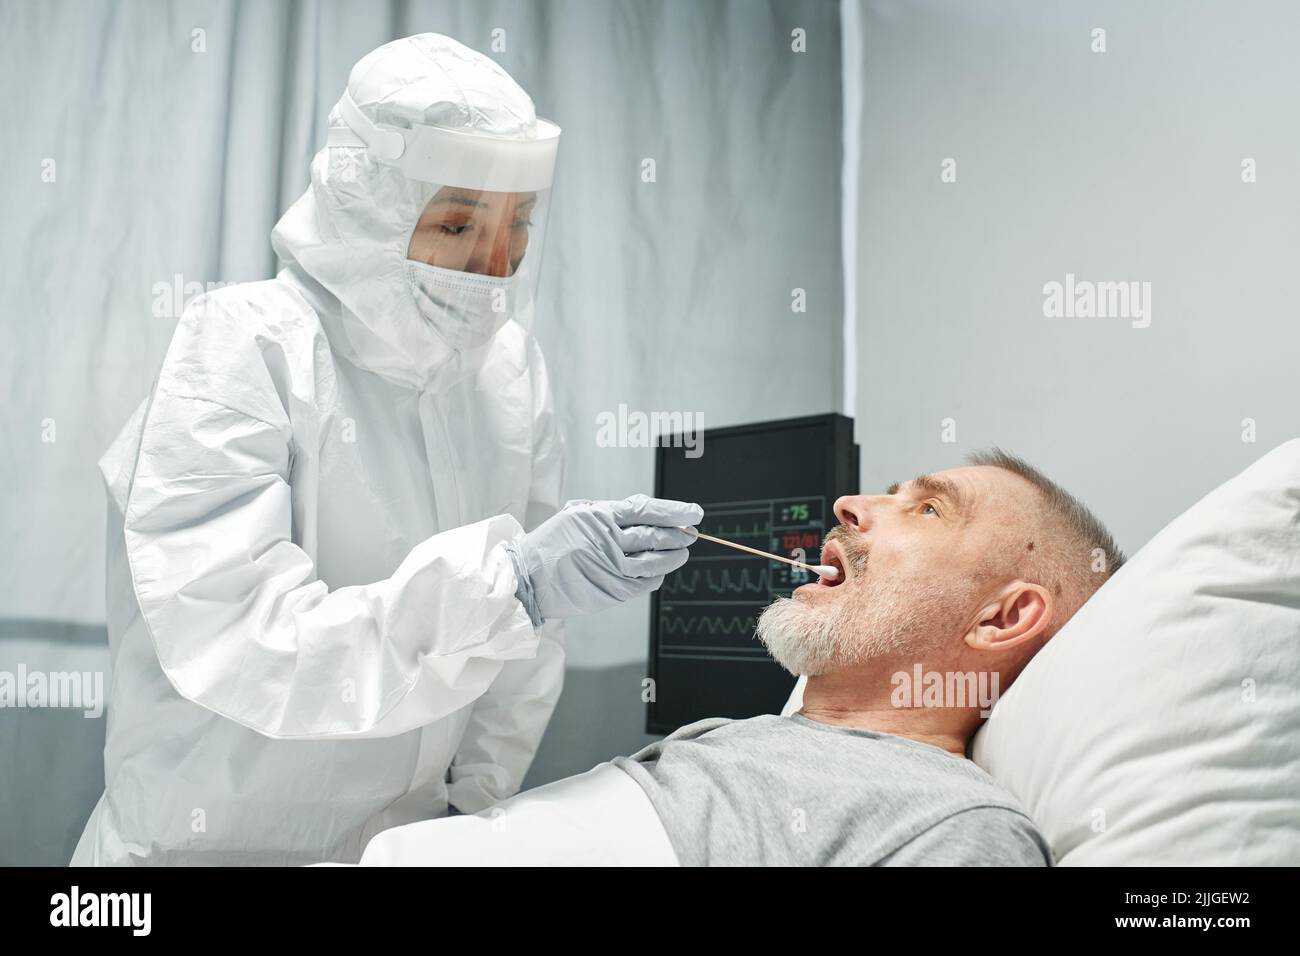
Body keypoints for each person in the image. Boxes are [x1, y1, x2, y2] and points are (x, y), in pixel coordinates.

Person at [73, 33, 700, 866]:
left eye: (519, 225)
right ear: (367, 205)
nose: (497, 265)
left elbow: (523, 654)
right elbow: (243, 640)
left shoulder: (509, 373)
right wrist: (506, 585)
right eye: (456, 223)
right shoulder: (242, 346)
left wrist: (465, 821)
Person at [355, 450, 1125, 866]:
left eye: (926, 509)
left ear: (1003, 618)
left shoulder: (950, 823)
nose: (851, 506)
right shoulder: (745, 741)